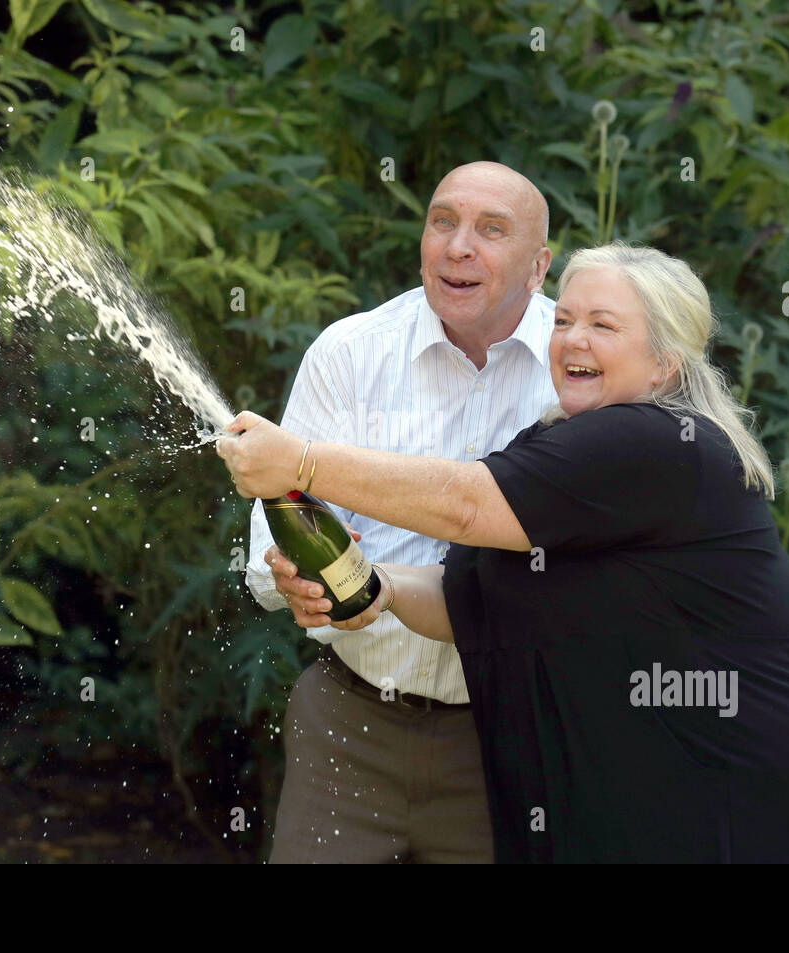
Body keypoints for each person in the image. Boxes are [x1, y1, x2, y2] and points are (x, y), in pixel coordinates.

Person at [220, 241, 789, 863]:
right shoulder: (562, 438)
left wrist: (299, 460)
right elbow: (470, 595)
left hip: (743, 768)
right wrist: (373, 585)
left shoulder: (659, 441)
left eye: (603, 324)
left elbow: (465, 505)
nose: (572, 339)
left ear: (664, 363)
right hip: (652, 769)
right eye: (563, 320)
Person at [244, 161, 556, 862]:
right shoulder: (351, 353)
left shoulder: (577, 366)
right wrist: (291, 579)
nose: (457, 246)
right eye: (442, 220)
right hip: (349, 729)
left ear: (538, 266)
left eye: (490, 229)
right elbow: (268, 545)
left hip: (509, 743)